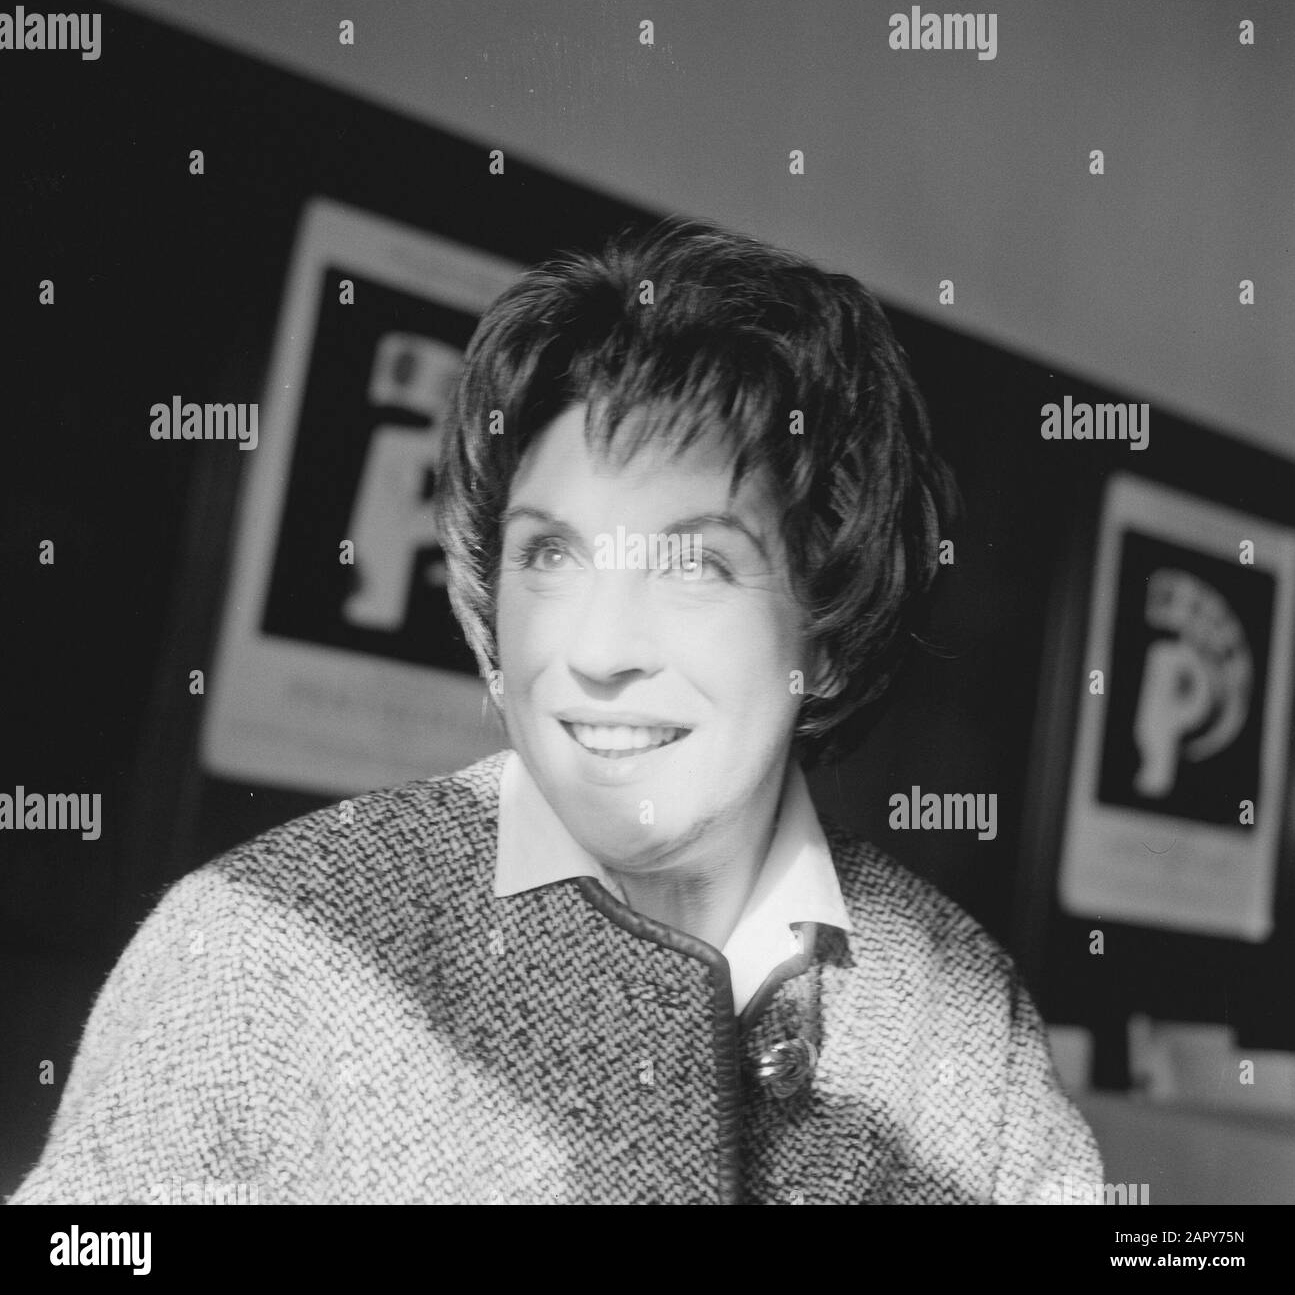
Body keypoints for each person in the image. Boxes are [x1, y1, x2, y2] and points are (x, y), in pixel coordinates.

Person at [9, 218, 1102, 1205]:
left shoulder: (958, 1016)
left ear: (821, 630)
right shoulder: (260, 945)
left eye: (693, 566)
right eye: (549, 555)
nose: (596, 649)